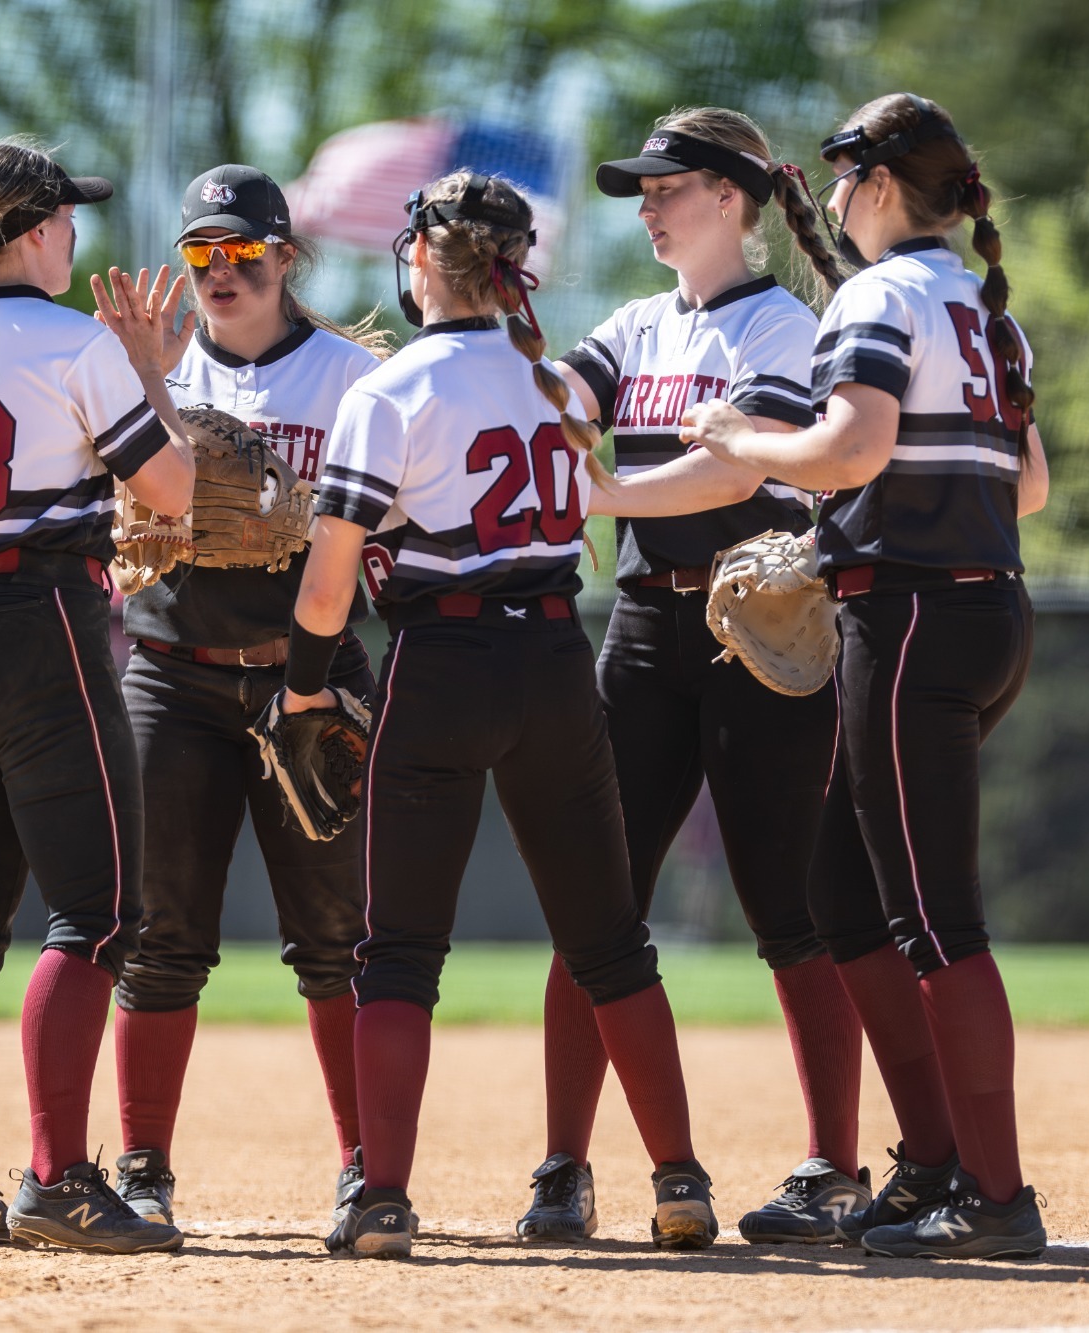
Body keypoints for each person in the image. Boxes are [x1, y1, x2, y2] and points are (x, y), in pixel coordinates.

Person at [280, 170, 716, 1260]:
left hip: (439, 663)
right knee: (611, 942)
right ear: (517, 269)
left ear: (420, 261)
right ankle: (678, 1180)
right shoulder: (558, 387)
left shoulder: (389, 392)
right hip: (555, 658)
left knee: (397, 954)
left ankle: (380, 1195)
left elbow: (328, 594)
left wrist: (297, 687)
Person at [680, 93, 1052, 1260]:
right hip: (980, 613)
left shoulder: (878, 297)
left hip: (911, 626)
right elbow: (1025, 485)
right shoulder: (985, 313)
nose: (831, 200)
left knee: (935, 922)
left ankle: (993, 1197)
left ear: (880, 183)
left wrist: (742, 443)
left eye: (842, 178)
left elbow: (849, 448)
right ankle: (932, 1161)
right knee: (843, 896)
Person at [519, 107, 870, 1246]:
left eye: (666, 185)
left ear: (730, 197)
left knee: (789, 901)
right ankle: (562, 1167)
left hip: (756, 639)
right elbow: (553, 401)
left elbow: (725, 484)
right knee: (594, 900)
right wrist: (490, 337)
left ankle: (831, 1164)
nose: (646, 203)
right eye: (640, 187)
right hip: (641, 637)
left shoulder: (782, 328)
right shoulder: (630, 326)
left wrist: (604, 496)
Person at [0, 138, 196, 1252]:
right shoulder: (76, 342)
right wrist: (148, 367)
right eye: (63, 218)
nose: (74, 234)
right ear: (22, 232)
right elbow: (171, 486)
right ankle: (57, 1177)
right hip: (39, 626)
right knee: (98, 911)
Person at [102, 165, 388, 1228]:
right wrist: (145, 384)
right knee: (159, 934)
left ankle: (368, 1164)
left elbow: (392, 523)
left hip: (306, 680)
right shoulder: (154, 371)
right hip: (172, 679)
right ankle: (141, 1172)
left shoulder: (356, 376)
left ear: (286, 258)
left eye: (242, 251)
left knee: (335, 935)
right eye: (200, 254)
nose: (222, 271)